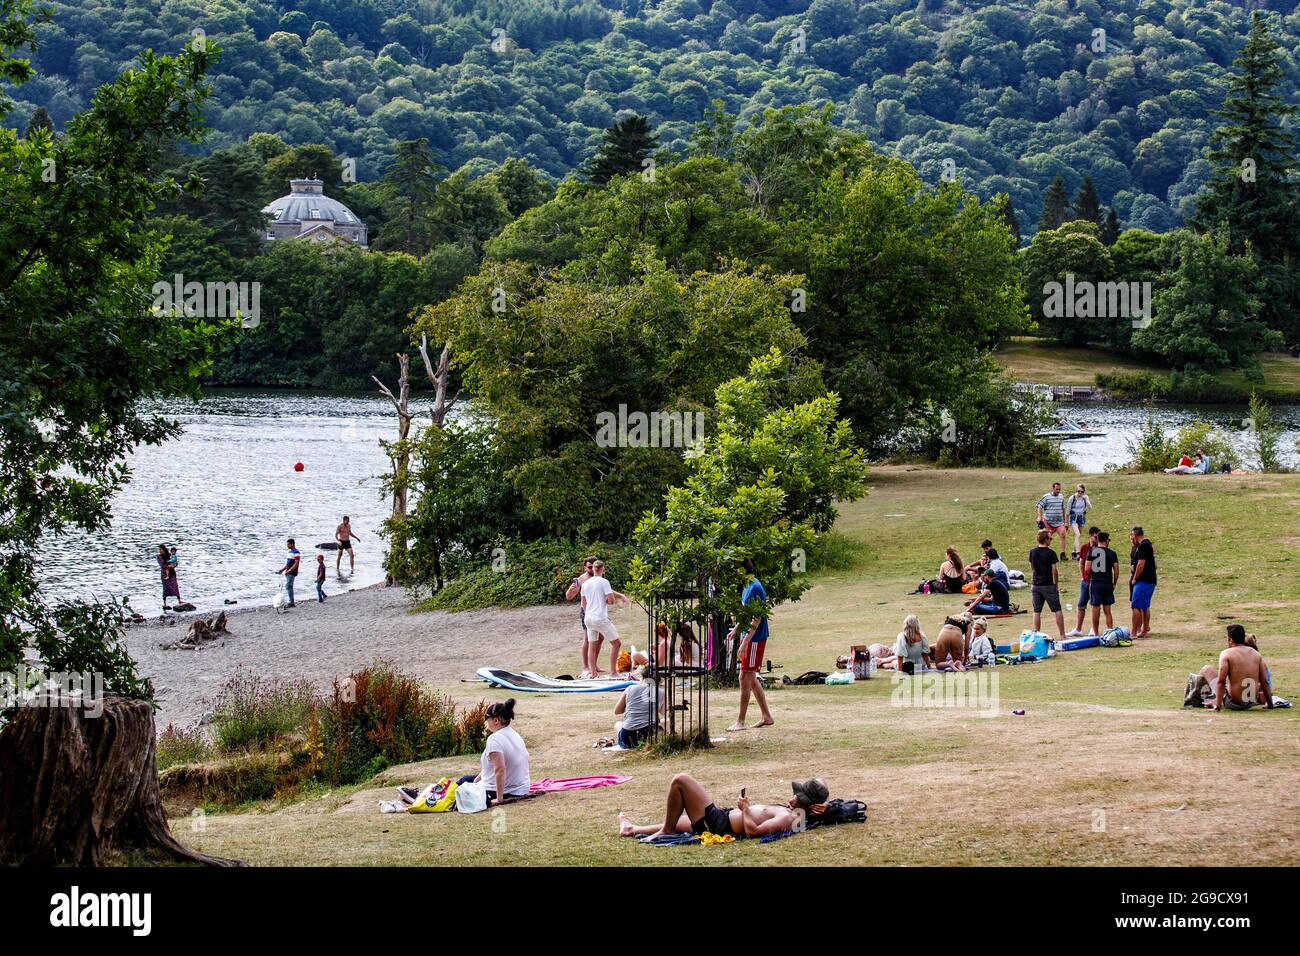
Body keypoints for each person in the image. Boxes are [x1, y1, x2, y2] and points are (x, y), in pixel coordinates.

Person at [617, 775, 830, 840]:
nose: (792, 795)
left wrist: (745, 809)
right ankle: (632, 829)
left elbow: (753, 833)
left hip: (720, 824)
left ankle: (666, 831)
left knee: (679, 780)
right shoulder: (799, 814)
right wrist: (825, 804)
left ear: (804, 800)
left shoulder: (789, 818)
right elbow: (823, 784)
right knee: (679, 823)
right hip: (724, 818)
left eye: (797, 794)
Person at [727, 558, 774, 731]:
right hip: (750, 636)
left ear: (742, 570)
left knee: (745, 678)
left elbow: (756, 618)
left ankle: (740, 721)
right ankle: (766, 716)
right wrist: (736, 629)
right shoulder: (747, 586)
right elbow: (746, 613)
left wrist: (745, 642)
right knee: (751, 679)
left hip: (755, 638)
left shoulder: (754, 587)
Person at [1186, 625, 1273, 711]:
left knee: (1207, 669)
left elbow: (1221, 681)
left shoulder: (1226, 653)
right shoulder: (1256, 654)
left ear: (1230, 639)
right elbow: (1264, 681)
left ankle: (1198, 699)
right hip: (1251, 702)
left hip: (1233, 703)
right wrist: (1270, 704)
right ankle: (1211, 697)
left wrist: (1218, 706)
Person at [473, 698, 531, 805]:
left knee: (461, 786)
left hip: (507, 791)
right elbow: (493, 766)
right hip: (521, 788)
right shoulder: (514, 734)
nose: (486, 722)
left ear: (496, 720)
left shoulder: (494, 739)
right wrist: (474, 782)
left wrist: (499, 799)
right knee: (467, 779)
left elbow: (500, 769)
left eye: (487, 718)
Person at [580, 559, 631, 678]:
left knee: (592, 645)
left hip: (588, 618)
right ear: (603, 570)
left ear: (593, 569)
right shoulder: (604, 582)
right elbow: (611, 600)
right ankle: (613, 672)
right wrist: (605, 600)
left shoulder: (585, 584)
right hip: (599, 617)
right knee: (616, 643)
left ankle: (593, 672)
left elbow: (583, 604)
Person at [1028, 529, 1065, 641]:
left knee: (1037, 611)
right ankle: (1062, 635)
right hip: (1048, 585)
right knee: (1057, 610)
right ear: (1045, 539)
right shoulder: (1051, 553)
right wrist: (1056, 584)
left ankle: (1036, 635)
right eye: (1050, 538)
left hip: (1035, 584)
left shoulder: (1032, 552)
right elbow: (1054, 570)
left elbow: (1032, 567)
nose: (1051, 540)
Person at [565, 556, 597, 676]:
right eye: (589, 567)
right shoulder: (581, 579)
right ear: (585, 567)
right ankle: (585, 667)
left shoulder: (598, 576)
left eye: (594, 567)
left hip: (597, 611)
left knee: (600, 638)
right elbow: (569, 597)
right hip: (586, 611)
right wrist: (570, 590)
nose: (592, 569)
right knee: (587, 639)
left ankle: (594, 664)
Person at [1067, 527, 1101, 637]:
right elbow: (1081, 563)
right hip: (1086, 581)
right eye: (1095, 537)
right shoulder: (1085, 548)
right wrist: (1082, 575)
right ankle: (1078, 628)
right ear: (1090, 536)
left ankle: (1093, 628)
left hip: (1096, 581)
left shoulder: (1100, 549)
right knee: (1081, 605)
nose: (1097, 539)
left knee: (1094, 605)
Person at [613, 666, 659, 748]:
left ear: (641, 676)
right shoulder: (660, 691)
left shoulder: (630, 688)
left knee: (618, 724)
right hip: (650, 735)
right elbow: (665, 712)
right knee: (665, 721)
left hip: (628, 737)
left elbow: (617, 711)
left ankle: (625, 742)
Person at [1088, 531, 1120, 636]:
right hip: (1107, 583)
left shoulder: (1092, 551)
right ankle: (1110, 632)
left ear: (1097, 540)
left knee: (1095, 608)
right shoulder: (1112, 553)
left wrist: (1091, 576)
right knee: (1107, 610)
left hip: (1096, 582)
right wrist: (1114, 583)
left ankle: (1096, 633)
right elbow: (1116, 570)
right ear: (1106, 540)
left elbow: (1087, 568)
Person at [1129, 526, 1157, 639]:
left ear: (1135, 535)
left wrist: (1135, 578)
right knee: (1145, 606)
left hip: (1143, 580)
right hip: (1150, 580)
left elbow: (1141, 564)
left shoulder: (1142, 546)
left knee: (1135, 605)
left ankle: (1134, 632)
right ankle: (1145, 630)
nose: (1131, 539)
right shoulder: (1148, 544)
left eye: (1131, 536)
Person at [1036, 481, 1069, 560]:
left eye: (1059, 489)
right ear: (1052, 488)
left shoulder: (1061, 497)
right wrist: (1039, 517)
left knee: (1063, 535)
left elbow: (1063, 509)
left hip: (1059, 522)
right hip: (1048, 522)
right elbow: (1039, 506)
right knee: (1045, 538)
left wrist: (1065, 522)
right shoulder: (1046, 497)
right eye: (1057, 489)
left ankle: (1062, 554)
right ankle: (1044, 553)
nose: (1058, 491)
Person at [1067, 484, 1092, 558]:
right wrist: (1066, 522)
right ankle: (1078, 553)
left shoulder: (1085, 497)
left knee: (1077, 536)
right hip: (1073, 517)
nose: (1080, 493)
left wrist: (1085, 499)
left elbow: (1090, 507)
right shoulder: (1072, 498)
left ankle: (1073, 552)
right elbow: (1068, 511)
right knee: (1078, 534)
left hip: (1081, 517)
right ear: (1076, 491)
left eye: (1082, 491)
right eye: (1078, 491)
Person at [276, 538, 301, 608]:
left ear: (292, 544)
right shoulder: (289, 552)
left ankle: (291, 602)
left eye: (288, 544)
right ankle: (291, 601)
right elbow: (288, 563)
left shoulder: (296, 552)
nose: (287, 546)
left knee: (288, 586)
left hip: (292, 572)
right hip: (288, 571)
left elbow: (296, 564)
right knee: (289, 586)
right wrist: (282, 570)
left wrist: (289, 570)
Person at [157, 543, 180, 611]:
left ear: (164, 549)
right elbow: (162, 564)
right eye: (159, 549)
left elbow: (175, 562)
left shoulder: (169, 555)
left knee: (175, 586)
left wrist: (174, 565)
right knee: (165, 588)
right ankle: (164, 603)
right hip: (164, 573)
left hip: (172, 573)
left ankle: (179, 600)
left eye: (160, 549)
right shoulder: (159, 556)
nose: (159, 551)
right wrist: (169, 566)